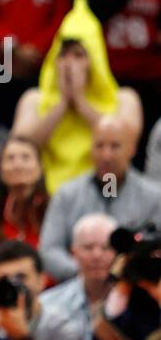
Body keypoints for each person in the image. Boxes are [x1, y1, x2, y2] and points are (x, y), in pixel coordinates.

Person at [13, 27, 144, 194]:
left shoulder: (124, 98)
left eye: (78, 55)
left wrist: (81, 102)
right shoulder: (34, 98)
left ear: (94, 60)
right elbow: (20, 147)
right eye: (62, 55)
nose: (69, 63)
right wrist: (62, 104)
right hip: (46, 194)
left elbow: (127, 142)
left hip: (105, 190)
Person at [40, 115, 161, 282]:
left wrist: (127, 273)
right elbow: (49, 250)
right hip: (78, 289)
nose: (106, 155)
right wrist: (87, 272)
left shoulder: (154, 196)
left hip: (137, 289)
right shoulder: (67, 194)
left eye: (115, 146)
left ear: (132, 148)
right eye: (99, 146)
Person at [0, 135, 49, 283]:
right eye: (10, 159)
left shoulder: (55, 212)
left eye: (26, 158)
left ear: (40, 167)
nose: (18, 165)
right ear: (0, 170)